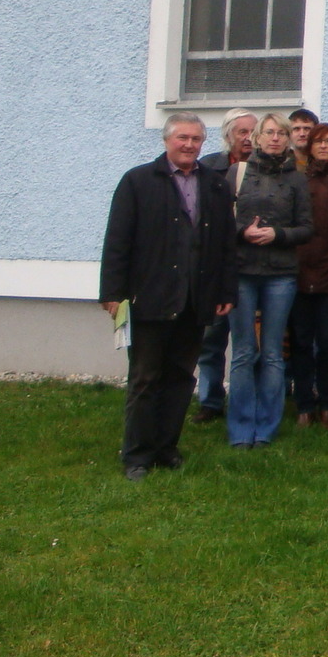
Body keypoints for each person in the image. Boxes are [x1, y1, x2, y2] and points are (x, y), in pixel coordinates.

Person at [101, 114, 238, 480]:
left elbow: (225, 243)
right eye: (182, 138)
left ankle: (166, 448)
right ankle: (137, 456)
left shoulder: (215, 185)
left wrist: (225, 289)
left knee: (180, 377)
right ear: (166, 141)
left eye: (196, 139)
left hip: (195, 298)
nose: (189, 145)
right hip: (149, 297)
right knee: (145, 378)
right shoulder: (138, 181)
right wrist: (113, 293)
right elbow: (117, 240)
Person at [225, 112, 312, 449]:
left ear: (289, 139)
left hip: (280, 273)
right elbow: (219, 221)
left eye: (282, 133)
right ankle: (240, 428)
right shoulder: (238, 172)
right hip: (242, 270)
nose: (275, 138)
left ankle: (266, 427)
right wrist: (242, 231)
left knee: (273, 353)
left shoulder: (296, 179)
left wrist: (277, 234)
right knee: (244, 352)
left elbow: (307, 228)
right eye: (269, 132)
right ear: (257, 138)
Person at [191, 110, 255, 421]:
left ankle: (247, 402)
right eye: (241, 132)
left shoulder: (264, 170)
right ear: (228, 135)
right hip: (214, 265)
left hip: (252, 265)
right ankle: (210, 401)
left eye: (252, 132)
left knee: (249, 343)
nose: (248, 138)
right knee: (211, 340)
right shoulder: (207, 170)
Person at [290, 121, 328, 428]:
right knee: (301, 340)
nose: (324, 146)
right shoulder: (298, 179)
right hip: (299, 270)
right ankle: (304, 403)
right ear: (310, 147)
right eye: (318, 141)